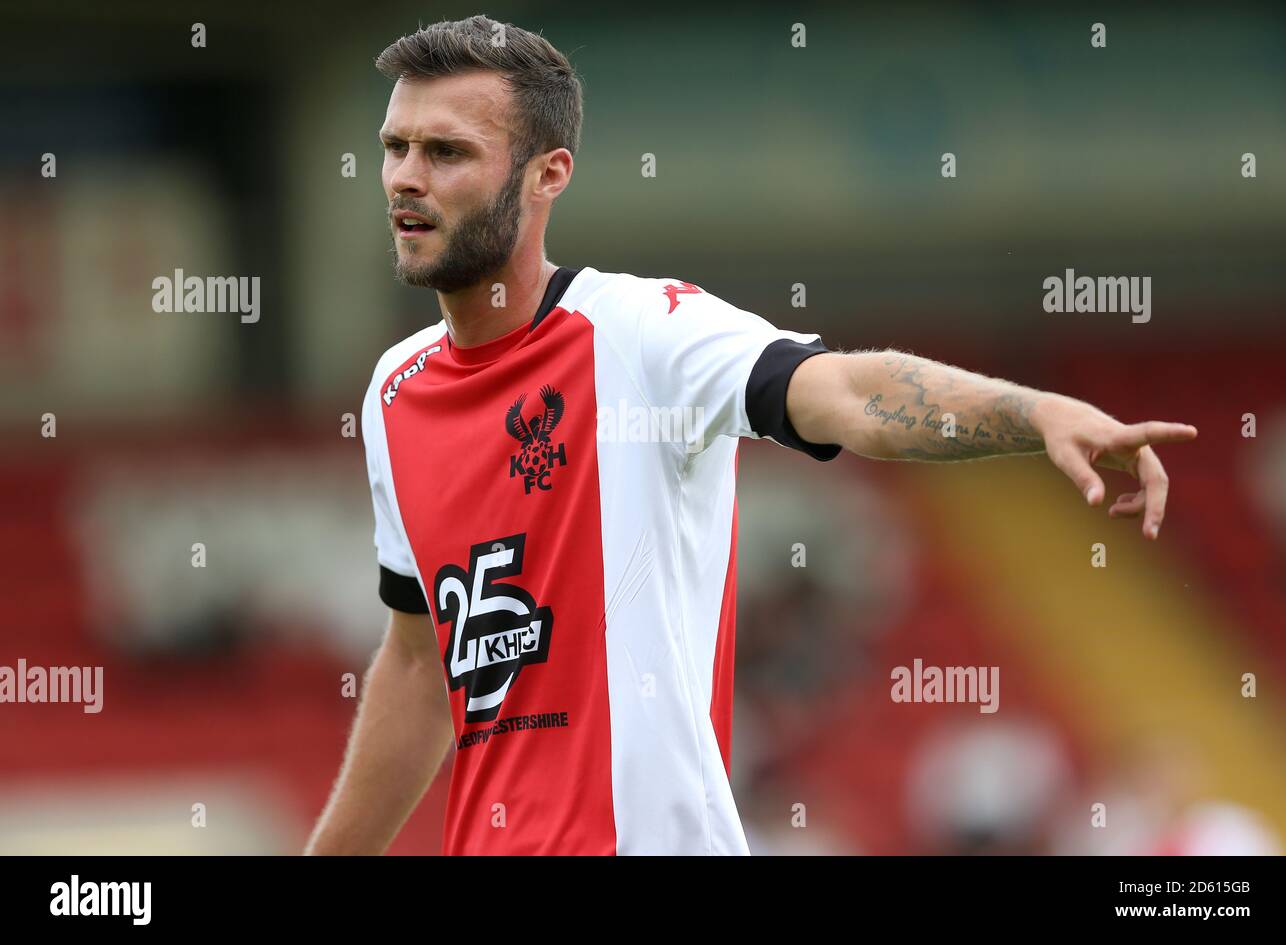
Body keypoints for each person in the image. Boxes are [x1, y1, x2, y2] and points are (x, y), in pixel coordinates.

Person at [305, 16, 1197, 856]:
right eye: (395, 147)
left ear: (548, 174)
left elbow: (843, 389)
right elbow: (422, 666)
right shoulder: (395, 390)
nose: (405, 177)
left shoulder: (640, 333)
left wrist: (1033, 412)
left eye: (447, 151)